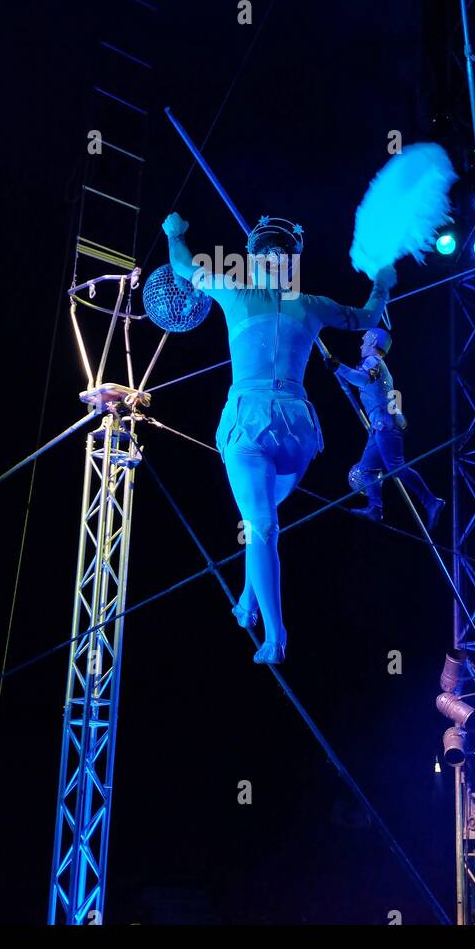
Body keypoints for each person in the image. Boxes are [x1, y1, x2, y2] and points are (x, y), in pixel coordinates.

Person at [163, 211, 396, 665]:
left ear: (289, 261)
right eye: (266, 253)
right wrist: (177, 233)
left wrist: (383, 283)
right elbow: (182, 267)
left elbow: (365, 317)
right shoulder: (237, 293)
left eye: (280, 254)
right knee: (263, 525)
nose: (272, 259)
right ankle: (274, 632)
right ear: (252, 259)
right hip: (254, 426)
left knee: (263, 524)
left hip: (291, 430)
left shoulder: (307, 304)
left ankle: (252, 600)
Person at [324, 327, 444, 531]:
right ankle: (375, 508)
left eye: (364, 342)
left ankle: (431, 501)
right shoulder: (373, 364)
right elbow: (360, 379)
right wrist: (341, 370)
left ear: (372, 342)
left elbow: (362, 379)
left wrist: (338, 367)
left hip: (386, 421)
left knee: (396, 467)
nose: (361, 346)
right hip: (379, 424)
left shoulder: (374, 362)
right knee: (367, 469)